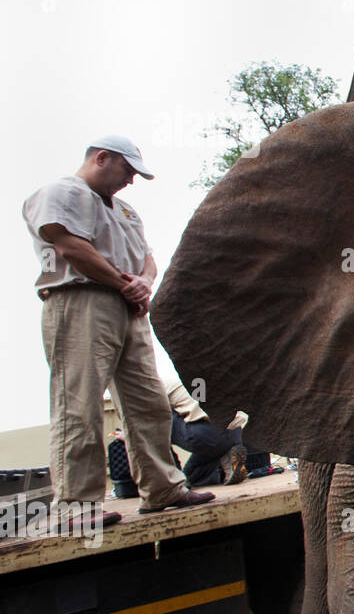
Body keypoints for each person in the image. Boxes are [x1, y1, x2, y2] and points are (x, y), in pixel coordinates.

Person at [23, 136, 215, 528]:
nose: (130, 180)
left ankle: (163, 488)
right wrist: (122, 282)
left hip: (128, 307)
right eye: (126, 170)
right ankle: (75, 504)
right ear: (101, 158)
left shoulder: (126, 211)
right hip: (80, 300)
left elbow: (148, 258)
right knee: (79, 403)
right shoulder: (61, 192)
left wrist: (143, 283)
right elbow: (67, 244)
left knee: (149, 401)